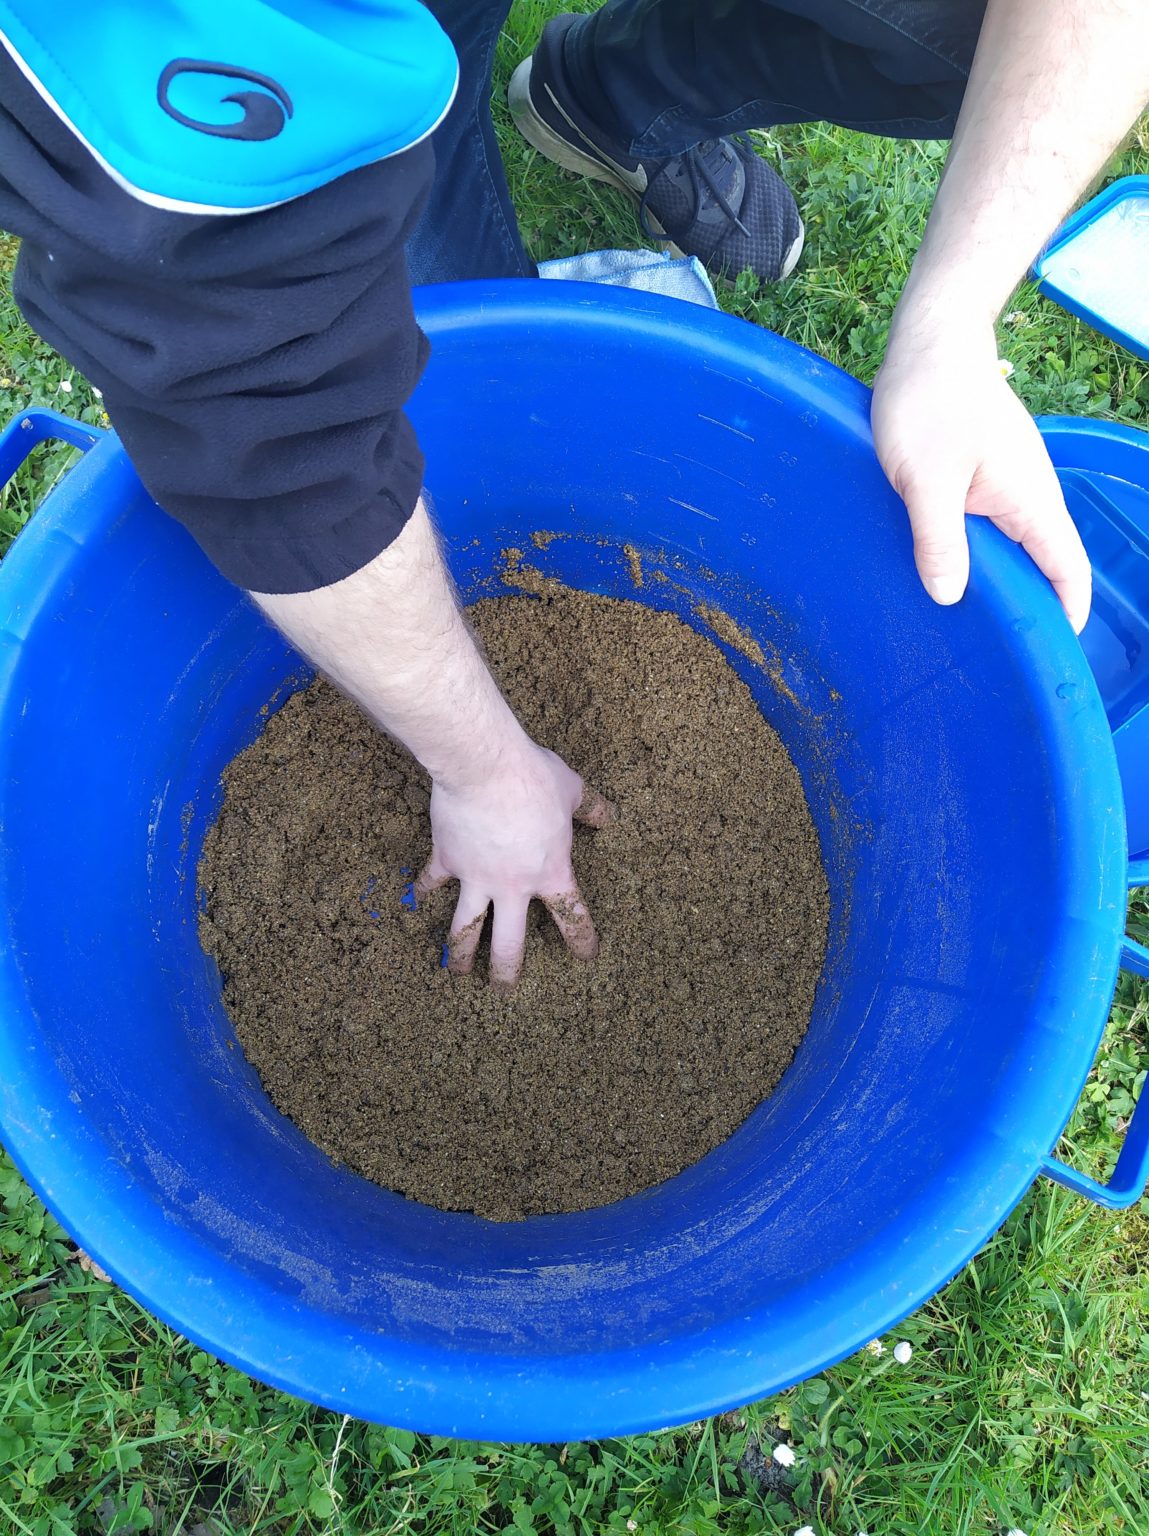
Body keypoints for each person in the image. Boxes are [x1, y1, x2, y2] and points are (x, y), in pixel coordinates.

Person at [0, 0, 1143, 991]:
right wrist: (487, 773)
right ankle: (437, 134)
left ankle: (609, 101)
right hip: (273, 55)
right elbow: (267, 421)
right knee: (436, 334)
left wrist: (953, 320)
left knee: (951, 35)